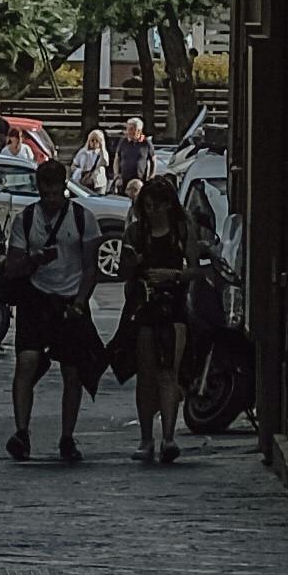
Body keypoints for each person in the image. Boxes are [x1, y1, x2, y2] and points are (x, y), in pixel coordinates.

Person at [7, 177, 104, 466]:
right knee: (26, 362)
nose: (50, 198)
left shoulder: (82, 218)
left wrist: (80, 302)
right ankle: (22, 432)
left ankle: (67, 436)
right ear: (39, 190)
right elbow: (12, 267)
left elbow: (90, 268)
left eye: (54, 191)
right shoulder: (25, 220)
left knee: (72, 372)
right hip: (36, 299)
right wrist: (34, 260)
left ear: (63, 187)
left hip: (70, 300)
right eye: (45, 192)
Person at [123, 166, 196, 466]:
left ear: (168, 204)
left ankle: (168, 437)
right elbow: (123, 272)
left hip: (173, 306)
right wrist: (134, 263)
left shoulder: (182, 229)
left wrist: (174, 275)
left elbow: (195, 269)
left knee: (169, 373)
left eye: (158, 205)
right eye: (148, 206)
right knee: (146, 375)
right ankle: (146, 438)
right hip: (144, 308)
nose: (152, 211)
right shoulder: (135, 232)